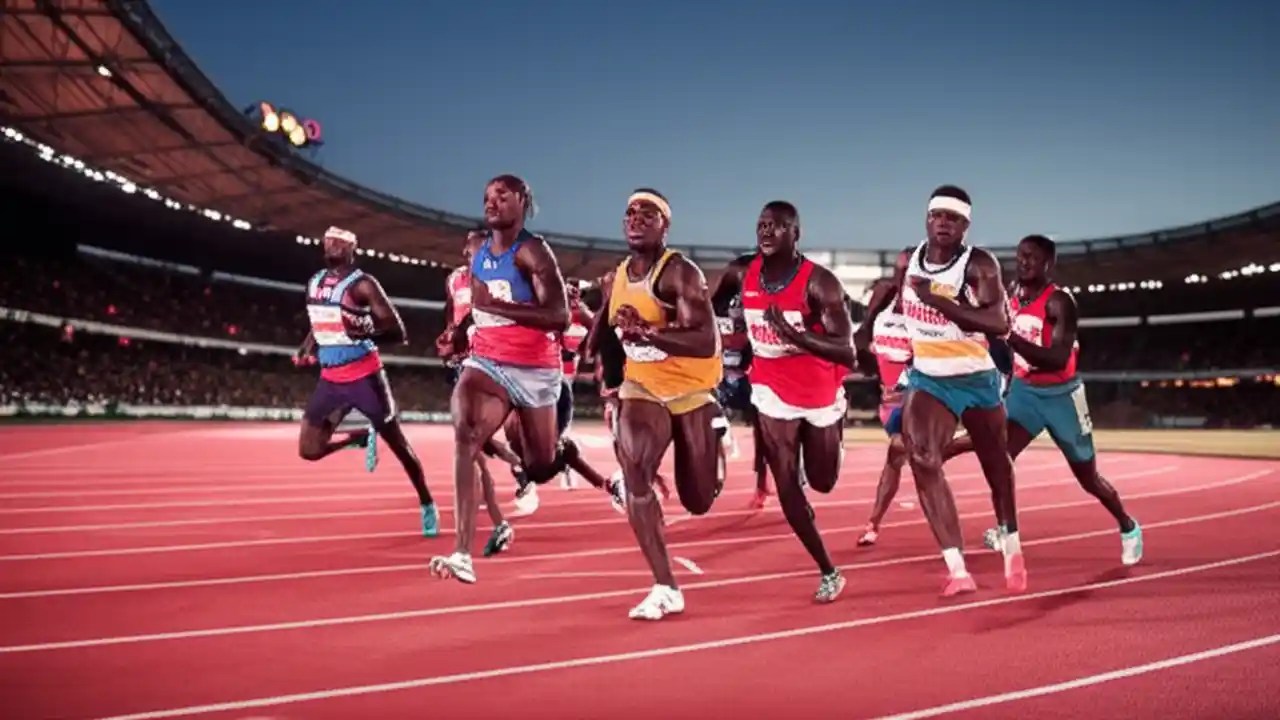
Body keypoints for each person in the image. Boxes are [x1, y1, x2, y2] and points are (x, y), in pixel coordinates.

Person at [948, 235, 1143, 566]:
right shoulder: (1013, 292)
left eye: (1032, 258)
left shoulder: (1060, 303)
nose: (1023, 262)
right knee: (999, 455)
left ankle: (1128, 526)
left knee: (1088, 478)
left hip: (1061, 396)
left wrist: (1009, 336)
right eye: (1021, 255)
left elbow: (1055, 358)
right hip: (1024, 391)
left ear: (1048, 264)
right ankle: (1005, 527)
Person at [428, 175, 577, 584]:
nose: (491, 203)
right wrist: (457, 336)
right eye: (487, 197)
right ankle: (461, 551)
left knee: (541, 464)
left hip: (535, 369)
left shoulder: (532, 251)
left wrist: (504, 308)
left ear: (522, 202)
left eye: (502, 196)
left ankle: (563, 453)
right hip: (488, 361)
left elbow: (558, 316)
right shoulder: (477, 251)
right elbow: (478, 305)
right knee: (465, 434)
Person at [714, 201, 854, 602]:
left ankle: (834, 437)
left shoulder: (820, 283)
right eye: (761, 225)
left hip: (818, 389)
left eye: (776, 226)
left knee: (823, 481)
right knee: (787, 482)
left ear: (796, 233)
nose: (766, 232)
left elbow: (847, 352)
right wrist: (726, 329)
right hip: (770, 387)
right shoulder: (742, 272)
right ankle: (828, 569)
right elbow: (711, 308)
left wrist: (794, 337)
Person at [888, 185, 1023, 596]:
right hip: (929, 377)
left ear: (966, 225)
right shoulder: (907, 261)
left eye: (953, 218)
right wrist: (890, 336)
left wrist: (938, 301)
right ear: (927, 219)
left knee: (996, 465)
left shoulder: (978, 264)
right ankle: (957, 567)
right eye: (937, 215)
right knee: (922, 458)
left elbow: (999, 323)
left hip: (975, 378)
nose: (943, 222)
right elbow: (902, 303)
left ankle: (1012, 543)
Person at [598, 188, 724, 620]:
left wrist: (649, 334)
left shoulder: (681, 274)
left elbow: (705, 341)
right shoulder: (615, 277)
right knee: (635, 473)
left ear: (665, 225)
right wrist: (611, 387)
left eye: (647, 214)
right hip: (643, 386)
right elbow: (606, 336)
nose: (636, 219)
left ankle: (715, 439)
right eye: (630, 212)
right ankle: (665, 586)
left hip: (691, 388)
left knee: (699, 499)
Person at [293, 226, 439, 537]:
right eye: (327, 240)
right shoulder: (314, 282)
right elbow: (319, 319)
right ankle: (357, 438)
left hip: (364, 377)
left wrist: (365, 332)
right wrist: (308, 345)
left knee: (399, 445)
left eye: (339, 241)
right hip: (330, 380)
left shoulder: (363, 285)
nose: (331, 243)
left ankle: (427, 502)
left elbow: (398, 331)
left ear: (351, 249)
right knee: (308, 449)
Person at [436, 238, 533, 554]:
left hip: (491, 363)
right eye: (469, 248)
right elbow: (453, 316)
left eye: (479, 248)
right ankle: (501, 519)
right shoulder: (454, 279)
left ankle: (500, 514)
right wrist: (448, 339)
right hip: (464, 362)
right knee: (473, 448)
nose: (472, 252)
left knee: (471, 445)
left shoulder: (500, 277)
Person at [852, 273, 913, 547]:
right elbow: (862, 343)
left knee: (900, 452)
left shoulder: (927, 312)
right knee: (901, 460)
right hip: (889, 403)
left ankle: (873, 524)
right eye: (900, 269)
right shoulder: (884, 307)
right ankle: (874, 523)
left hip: (919, 398)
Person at [712, 285, 771, 509]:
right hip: (722, 379)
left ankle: (762, 484)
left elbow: (745, 343)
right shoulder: (714, 313)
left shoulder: (758, 321)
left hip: (749, 380)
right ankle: (716, 470)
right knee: (707, 419)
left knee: (764, 433)